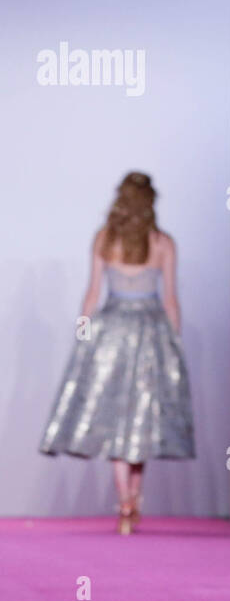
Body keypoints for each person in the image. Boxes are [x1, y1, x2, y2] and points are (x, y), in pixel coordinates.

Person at [39, 171, 195, 532]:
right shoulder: (162, 243)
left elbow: (93, 293)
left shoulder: (105, 238)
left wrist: (83, 334)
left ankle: (124, 501)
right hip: (150, 329)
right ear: (150, 201)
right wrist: (175, 341)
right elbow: (170, 298)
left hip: (111, 330)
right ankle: (134, 500)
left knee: (114, 414)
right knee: (141, 416)